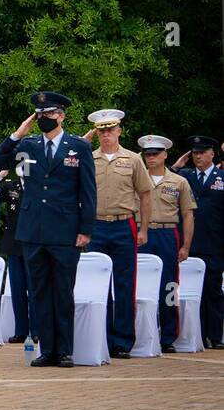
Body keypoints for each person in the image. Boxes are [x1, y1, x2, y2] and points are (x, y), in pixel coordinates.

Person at [0, 92, 97, 368]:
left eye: (49, 114)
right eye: (39, 115)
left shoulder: (78, 147)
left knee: (62, 291)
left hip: (65, 230)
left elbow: (88, 190)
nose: (44, 119)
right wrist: (15, 135)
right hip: (33, 230)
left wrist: (85, 228)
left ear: (61, 115)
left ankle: (64, 350)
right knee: (39, 291)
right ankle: (46, 349)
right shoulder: (30, 145)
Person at [84, 109, 152, 358]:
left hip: (124, 225)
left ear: (119, 131)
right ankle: (99, 337)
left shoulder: (133, 159)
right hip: (97, 226)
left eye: (110, 130)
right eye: (102, 131)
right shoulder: (89, 158)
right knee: (97, 285)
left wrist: (144, 228)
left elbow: (145, 194)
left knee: (124, 284)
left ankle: (122, 341)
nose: (106, 135)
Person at [138, 135, 193, 352]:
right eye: (147, 154)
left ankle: (168, 335)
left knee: (169, 285)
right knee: (138, 285)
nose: (151, 158)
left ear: (165, 155)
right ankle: (139, 332)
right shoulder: (136, 177)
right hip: (142, 233)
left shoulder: (179, 181)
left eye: (155, 154)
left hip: (167, 233)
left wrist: (186, 246)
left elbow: (188, 214)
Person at [172, 135, 224, 349]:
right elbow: (163, 182)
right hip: (188, 242)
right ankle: (197, 335)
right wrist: (176, 166)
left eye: (202, 152)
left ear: (212, 154)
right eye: (195, 152)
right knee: (189, 291)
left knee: (213, 290)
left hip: (214, 242)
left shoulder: (221, 177)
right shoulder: (184, 176)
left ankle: (215, 334)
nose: (198, 156)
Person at [0, 167, 33, 343]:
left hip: (34, 243)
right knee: (17, 290)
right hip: (14, 244)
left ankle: (37, 330)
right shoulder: (11, 186)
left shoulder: (39, 184)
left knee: (35, 290)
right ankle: (21, 330)